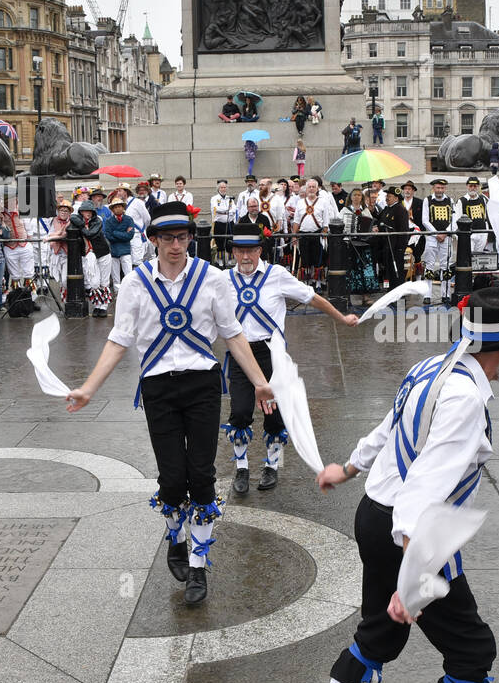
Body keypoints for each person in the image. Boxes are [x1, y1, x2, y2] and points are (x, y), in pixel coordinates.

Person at [290, 287, 499, 683]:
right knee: (472, 648)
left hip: (374, 515)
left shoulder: (432, 367)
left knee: (377, 637)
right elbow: (427, 486)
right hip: (412, 533)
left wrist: (349, 466)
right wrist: (413, 575)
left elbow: (389, 428)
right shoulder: (468, 399)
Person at [66, 202, 276, 606]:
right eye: (167, 238)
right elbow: (119, 339)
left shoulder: (212, 280)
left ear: (190, 239)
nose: (175, 245)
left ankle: (198, 564)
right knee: (171, 478)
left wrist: (260, 383)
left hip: (201, 385)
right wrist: (89, 388)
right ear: (153, 239)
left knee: (201, 475)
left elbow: (233, 335)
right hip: (158, 388)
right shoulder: (135, 283)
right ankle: (175, 540)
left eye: (181, 237)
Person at [222, 220, 359, 495]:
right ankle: (242, 467)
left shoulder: (277, 275)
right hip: (240, 353)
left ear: (260, 250)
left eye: (251, 250)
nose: (245, 256)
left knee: (275, 417)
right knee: (239, 413)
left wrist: (341, 317)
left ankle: (272, 465)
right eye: (240, 250)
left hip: (273, 355)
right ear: (233, 252)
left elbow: (313, 298)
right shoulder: (222, 279)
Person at [70, 201, 112, 317]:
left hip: (103, 253)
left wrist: (81, 226)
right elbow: (72, 217)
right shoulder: (77, 220)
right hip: (89, 255)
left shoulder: (97, 221)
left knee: (104, 281)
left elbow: (90, 234)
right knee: (93, 282)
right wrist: (81, 224)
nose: (87, 213)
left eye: (89, 211)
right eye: (84, 211)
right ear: (81, 212)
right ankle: (96, 304)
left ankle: (102, 307)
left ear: (93, 212)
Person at [104, 192, 137, 289]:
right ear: (112, 209)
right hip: (114, 251)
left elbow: (130, 235)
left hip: (125, 250)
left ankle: (130, 290)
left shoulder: (129, 219)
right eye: (115, 207)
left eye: (120, 206)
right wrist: (123, 234)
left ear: (123, 208)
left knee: (128, 273)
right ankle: (117, 292)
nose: (118, 208)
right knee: (115, 276)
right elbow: (108, 235)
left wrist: (115, 233)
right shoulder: (109, 221)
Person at [46, 199, 73, 289]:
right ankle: (64, 299)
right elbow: (50, 233)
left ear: (69, 212)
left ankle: (68, 298)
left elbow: (65, 235)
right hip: (56, 254)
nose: (63, 212)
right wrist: (52, 236)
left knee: (65, 280)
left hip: (67, 255)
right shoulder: (54, 220)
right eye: (61, 210)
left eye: (66, 211)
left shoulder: (71, 222)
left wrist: (50, 238)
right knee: (60, 280)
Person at [208, 180, 236, 263]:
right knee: (220, 242)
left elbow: (234, 209)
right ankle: (220, 261)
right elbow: (216, 209)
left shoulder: (230, 198)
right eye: (221, 187)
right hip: (219, 224)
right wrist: (227, 211)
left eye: (224, 187)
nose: (223, 189)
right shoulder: (214, 198)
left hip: (230, 223)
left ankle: (230, 261)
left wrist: (225, 212)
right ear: (218, 188)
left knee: (230, 242)